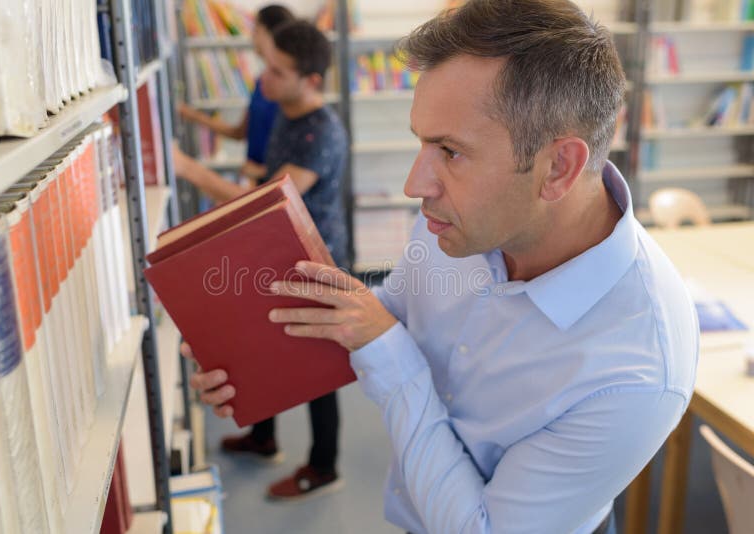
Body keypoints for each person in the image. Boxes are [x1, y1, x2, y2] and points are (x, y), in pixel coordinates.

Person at [187, 0, 701, 532]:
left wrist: (390, 354)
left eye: (450, 151)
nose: (416, 185)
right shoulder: (456, 220)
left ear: (558, 167)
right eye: (422, 142)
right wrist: (255, 353)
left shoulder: (637, 371)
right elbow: (396, 311)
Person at [176, 20, 350, 502]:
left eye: (276, 70)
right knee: (263, 344)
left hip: (317, 264)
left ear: (310, 81)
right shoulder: (285, 113)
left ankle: (323, 466)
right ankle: (264, 436)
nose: (263, 78)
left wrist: (188, 169)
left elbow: (267, 199)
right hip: (277, 256)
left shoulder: (322, 132)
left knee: (319, 370)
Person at [177, 5, 293, 183]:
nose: (252, 37)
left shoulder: (285, 89)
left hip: (276, 183)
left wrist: (263, 171)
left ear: (271, 33)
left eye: (256, 30)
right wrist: (193, 116)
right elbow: (240, 132)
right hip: (260, 183)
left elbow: (301, 150)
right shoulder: (261, 82)